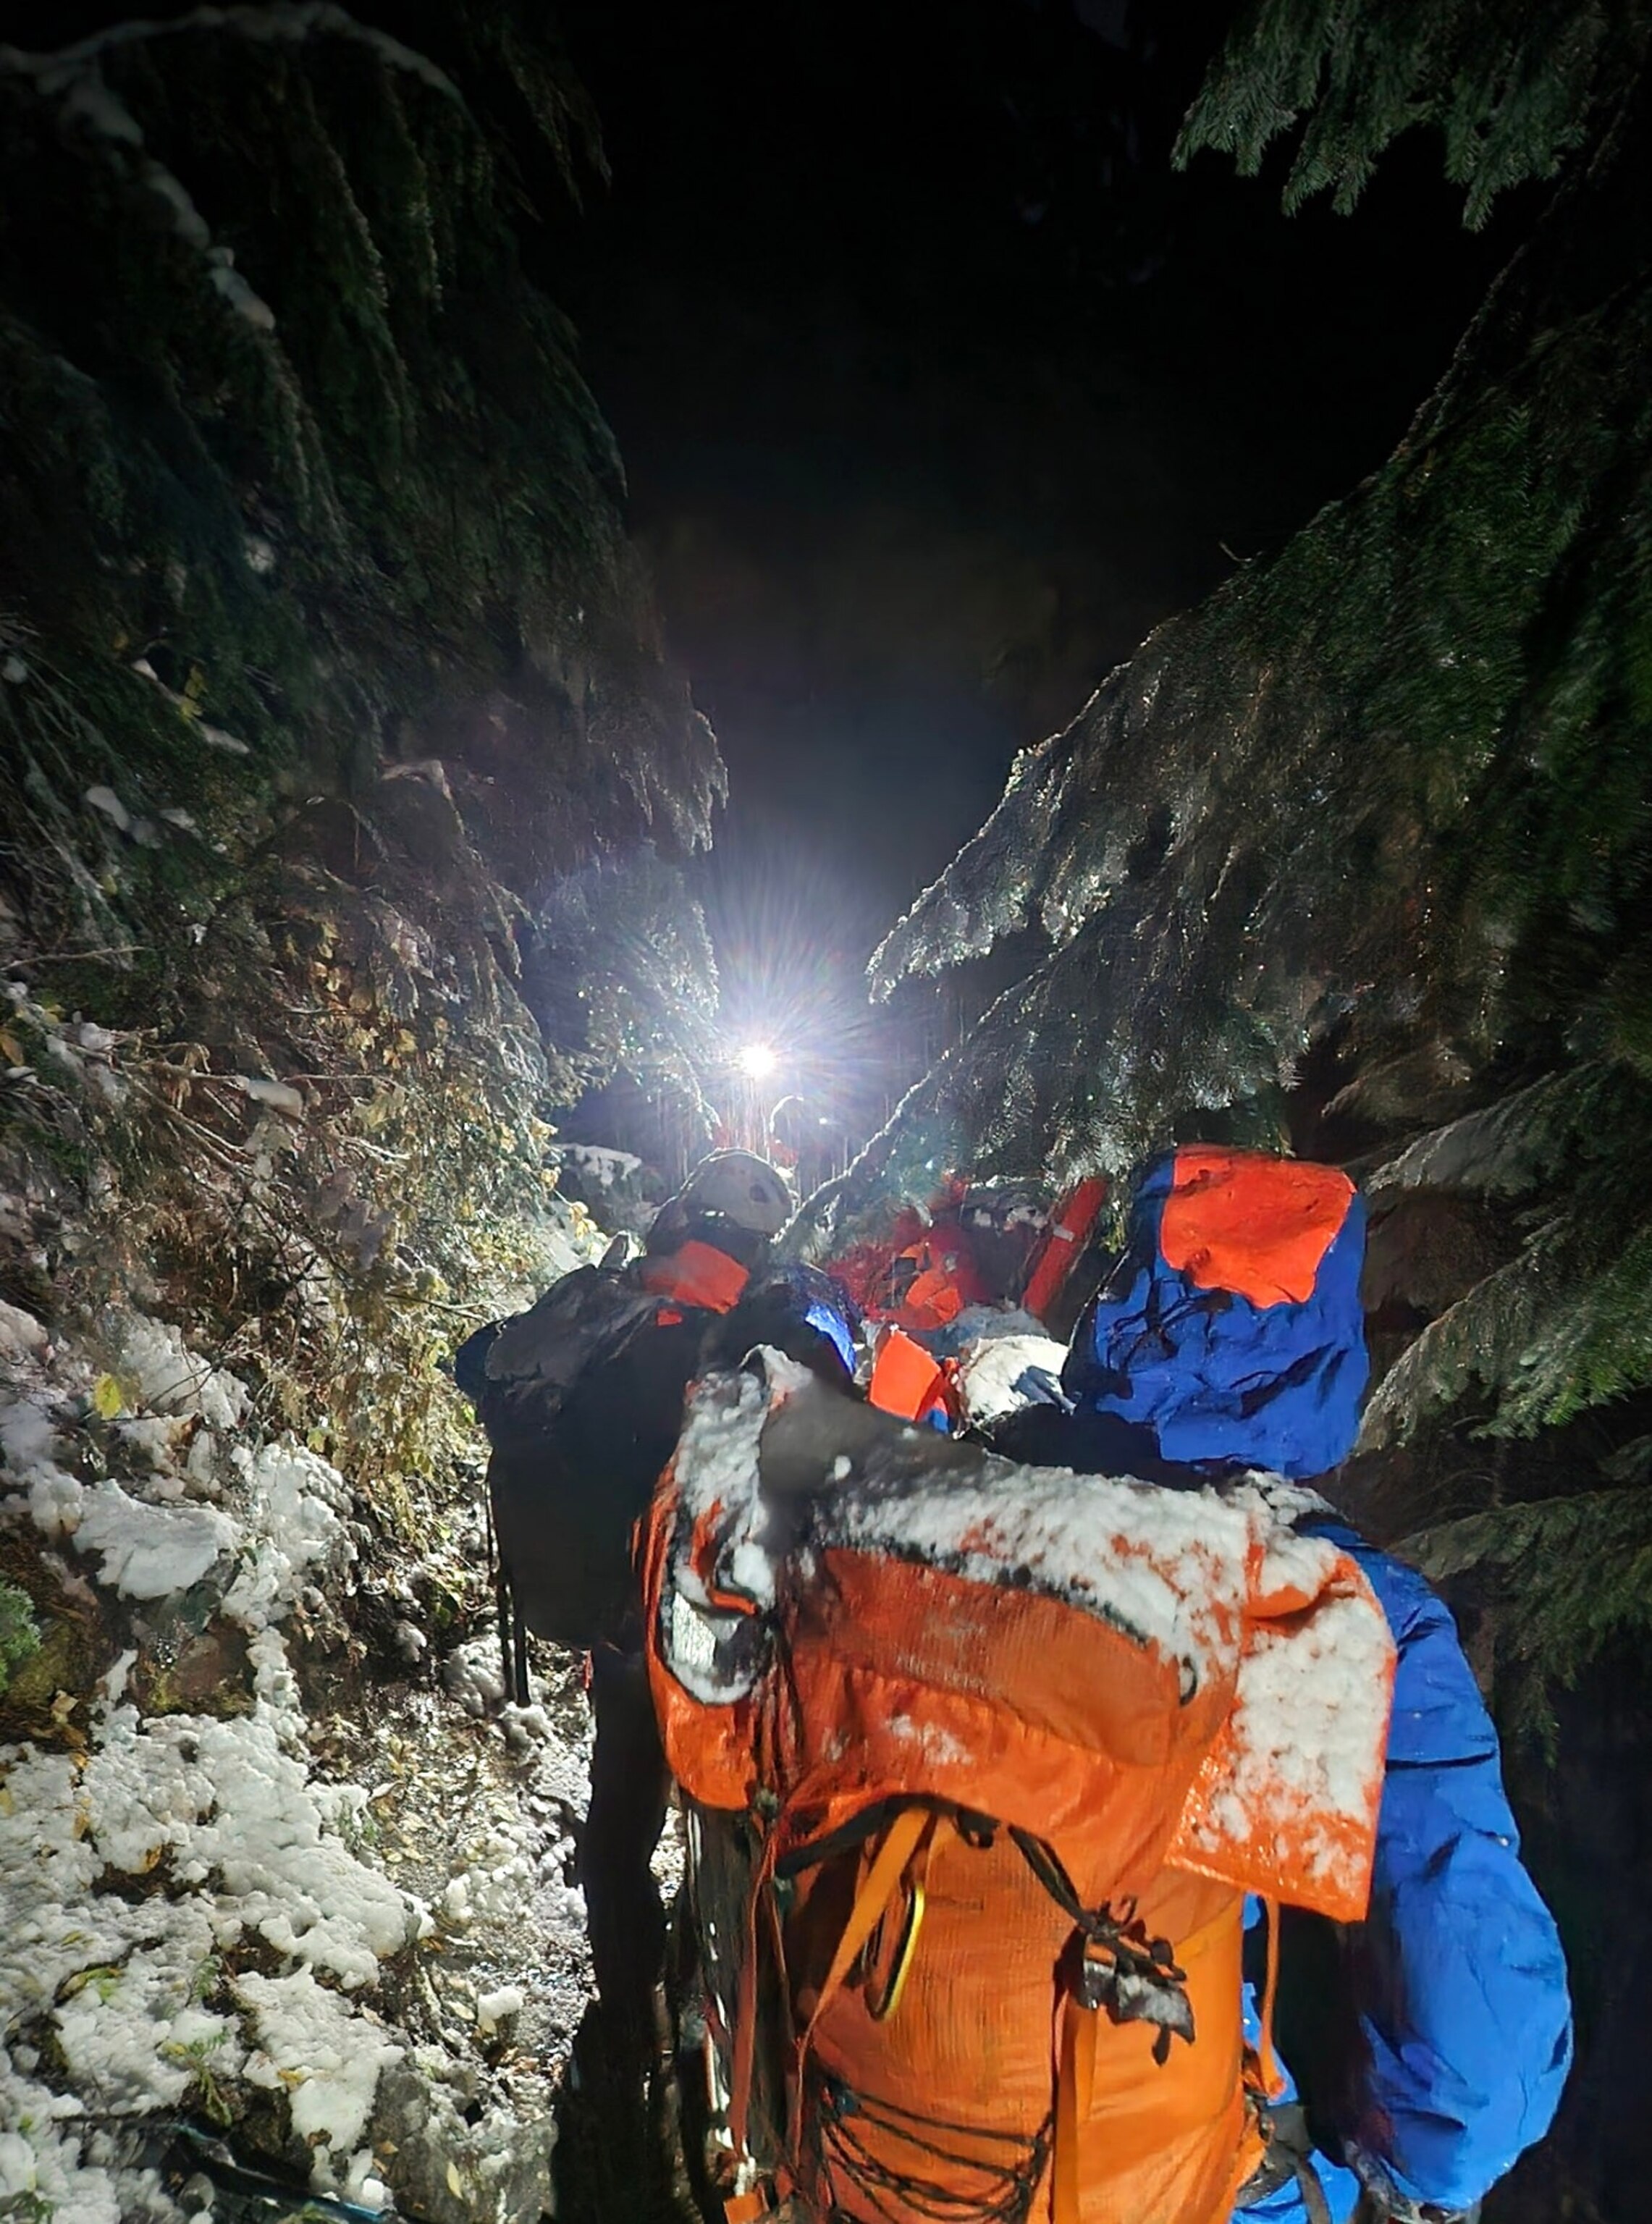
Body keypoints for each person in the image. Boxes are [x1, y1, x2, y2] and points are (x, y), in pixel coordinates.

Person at [999, 1145, 1573, 2224]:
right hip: (1194, 2149)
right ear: (1326, 1357)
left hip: (954, 2113)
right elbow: (1457, 1939)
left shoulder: (988, 1526)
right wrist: (1424, 2171)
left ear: (1127, 1309)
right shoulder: (1351, 1608)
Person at [456, 1150, 859, 2041]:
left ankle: (626, 2000)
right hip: (717, 1629)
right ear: (759, 1242)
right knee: (737, 1809)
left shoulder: (606, 1308)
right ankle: (730, 2012)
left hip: (615, 1620)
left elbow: (478, 1363)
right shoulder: (770, 1323)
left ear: (682, 1214)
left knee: (622, 1803)